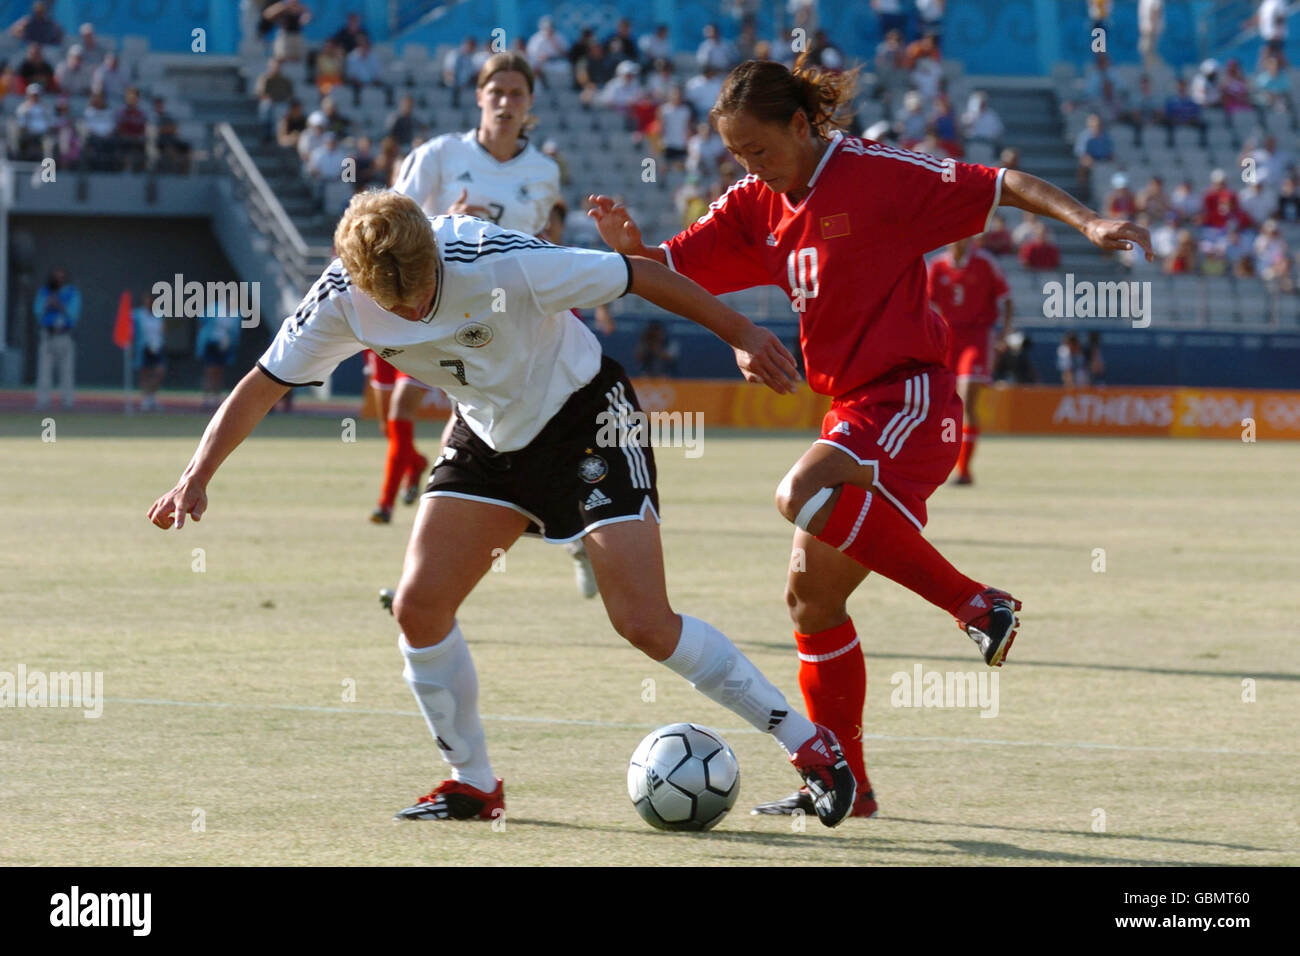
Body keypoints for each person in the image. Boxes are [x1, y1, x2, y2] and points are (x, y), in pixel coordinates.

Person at [147, 190, 857, 827]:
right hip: (487, 437)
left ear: (434, 250)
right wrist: (196, 474)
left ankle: (808, 744)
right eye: (394, 309)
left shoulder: (500, 259)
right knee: (419, 607)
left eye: (424, 293)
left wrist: (743, 333)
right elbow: (263, 383)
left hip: (587, 422)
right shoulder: (336, 300)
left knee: (643, 622)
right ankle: (474, 783)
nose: (413, 312)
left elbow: (638, 274)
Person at [588, 54, 1152, 820]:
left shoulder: (880, 175)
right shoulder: (756, 204)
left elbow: (1001, 185)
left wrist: (1089, 222)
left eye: (761, 149)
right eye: (738, 155)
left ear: (801, 124)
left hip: (911, 400)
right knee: (810, 602)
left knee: (800, 492)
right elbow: (670, 273)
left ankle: (979, 605)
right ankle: (847, 787)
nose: (751, 166)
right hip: (853, 409)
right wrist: (631, 253)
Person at [391, 52, 601, 597]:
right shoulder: (439, 155)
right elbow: (391, 226)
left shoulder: (544, 171)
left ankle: (574, 538)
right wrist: (448, 224)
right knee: (467, 437)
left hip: (516, 321)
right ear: (479, 97)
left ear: (530, 103)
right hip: (445, 317)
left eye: (517, 94)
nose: (506, 103)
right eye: (497, 92)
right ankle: (427, 579)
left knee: (499, 439)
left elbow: (536, 250)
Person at [928, 237, 1013, 486]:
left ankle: (964, 470)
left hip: (976, 337)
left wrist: (1004, 335)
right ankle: (942, 462)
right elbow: (927, 303)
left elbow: (1007, 300)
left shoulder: (985, 263)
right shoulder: (937, 266)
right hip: (947, 338)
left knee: (965, 399)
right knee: (943, 404)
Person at [34, 269, 80, 410]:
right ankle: (43, 402)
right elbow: (37, 311)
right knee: (44, 371)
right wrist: (48, 303)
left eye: (61, 277)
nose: (59, 279)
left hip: (64, 335)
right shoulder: (44, 292)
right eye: (56, 277)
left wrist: (59, 305)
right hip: (48, 335)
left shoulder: (72, 292)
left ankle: (67, 402)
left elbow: (74, 314)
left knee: (67, 371)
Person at [196, 300, 242, 410]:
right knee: (210, 371)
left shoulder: (236, 314)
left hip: (225, 345)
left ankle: (216, 397)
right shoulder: (214, 309)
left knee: (220, 372)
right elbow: (201, 321)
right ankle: (206, 398)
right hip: (212, 343)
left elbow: (235, 331)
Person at [134, 290, 166, 411]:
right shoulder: (138, 314)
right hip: (144, 347)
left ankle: (152, 396)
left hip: (157, 346)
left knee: (159, 372)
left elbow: (163, 330)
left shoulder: (159, 315)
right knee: (145, 373)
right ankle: (146, 398)